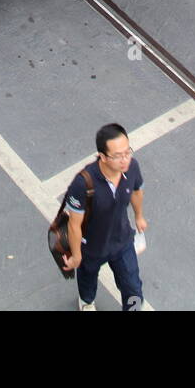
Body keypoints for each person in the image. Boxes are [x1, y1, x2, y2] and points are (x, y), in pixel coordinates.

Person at [63, 123, 147, 311]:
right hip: (91, 246)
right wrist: (76, 255)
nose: (124, 160)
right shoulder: (83, 183)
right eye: (117, 156)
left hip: (121, 240)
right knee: (88, 277)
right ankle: (86, 301)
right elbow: (74, 225)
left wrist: (139, 216)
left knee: (133, 287)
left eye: (127, 152)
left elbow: (136, 191)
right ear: (102, 156)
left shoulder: (131, 167)